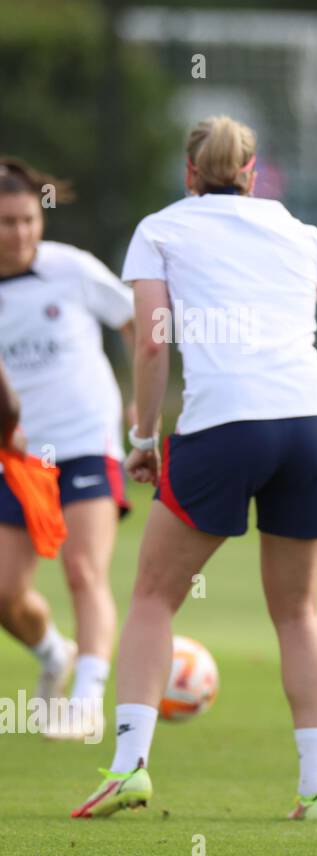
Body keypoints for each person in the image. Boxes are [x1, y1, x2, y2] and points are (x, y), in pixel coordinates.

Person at [71, 115, 317, 821]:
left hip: (223, 425)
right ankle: (316, 790)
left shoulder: (161, 229)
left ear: (190, 174)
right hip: (311, 423)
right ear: (253, 174)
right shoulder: (304, 234)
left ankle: (129, 768)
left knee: (155, 597)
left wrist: (143, 435)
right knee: (299, 611)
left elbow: (153, 345)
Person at [0, 158, 135, 736]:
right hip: (18, 454)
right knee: (6, 594)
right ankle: (56, 653)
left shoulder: (71, 270)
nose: (21, 233)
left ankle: (86, 701)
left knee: (84, 569)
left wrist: (139, 400)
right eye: (7, 222)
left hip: (85, 439)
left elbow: (138, 320)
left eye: (29, 219)